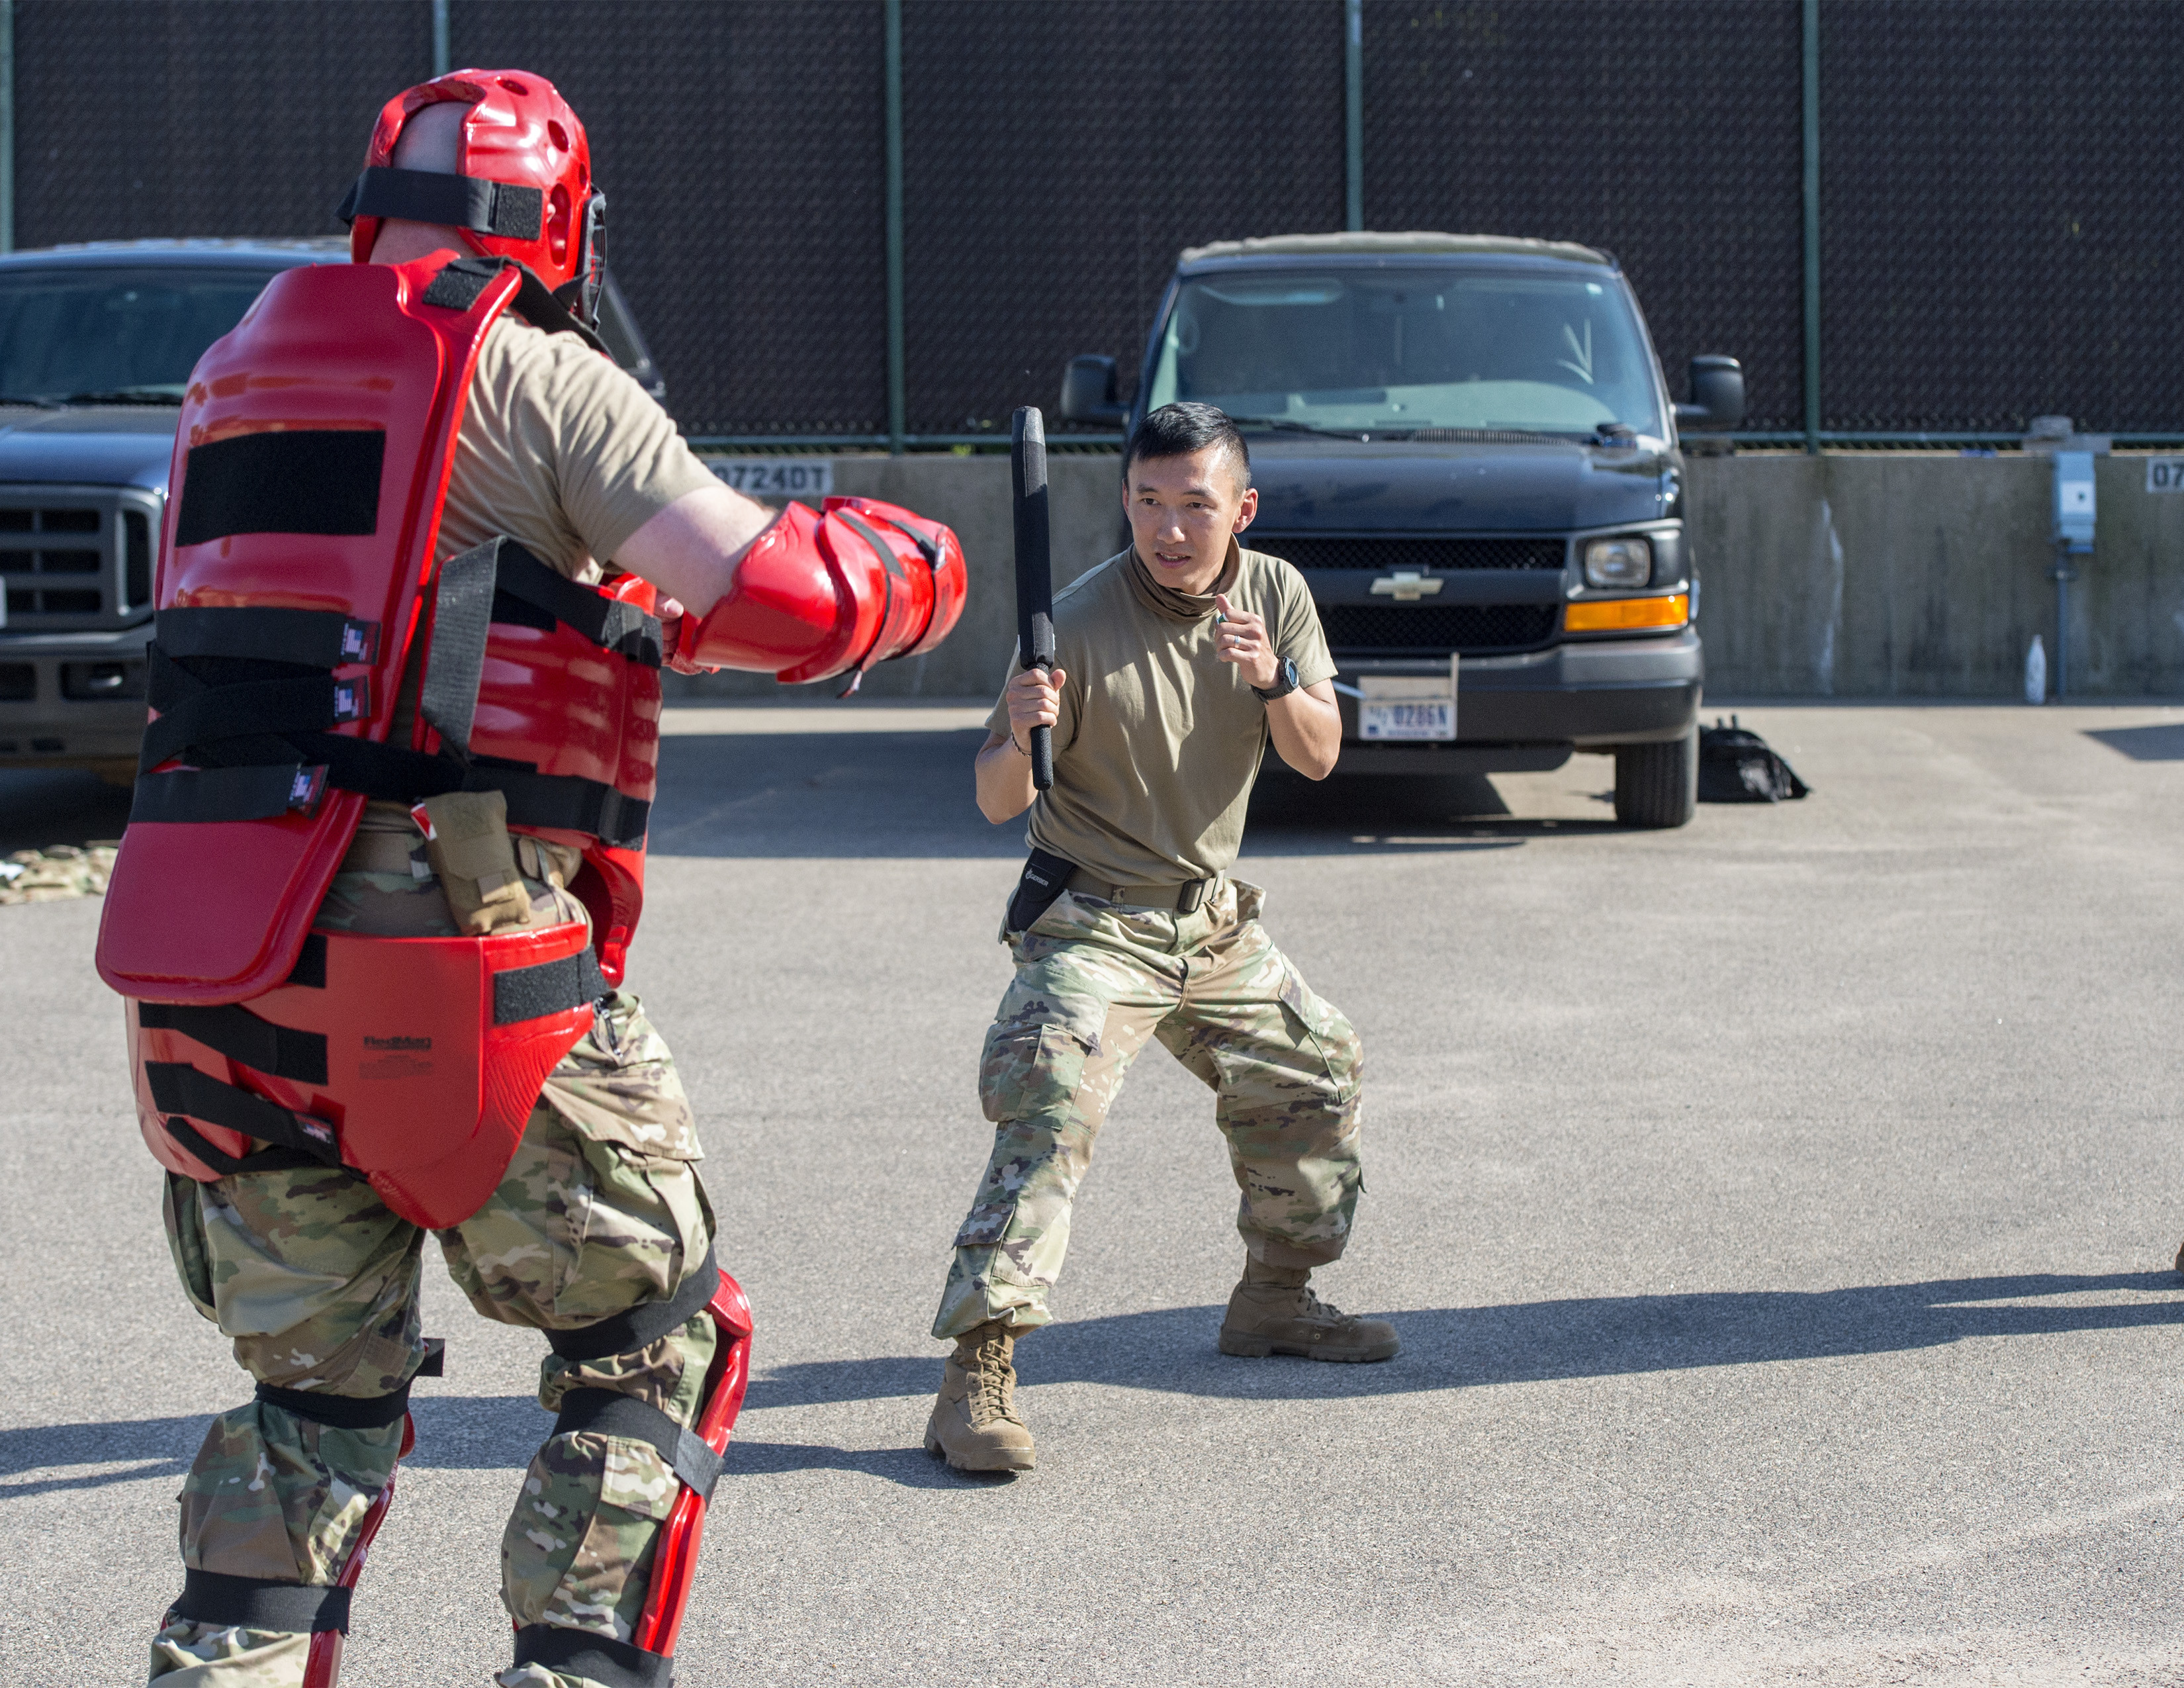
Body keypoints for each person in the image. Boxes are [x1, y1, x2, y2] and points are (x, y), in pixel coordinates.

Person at [95, 71, 962, 1687]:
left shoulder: (236, 372)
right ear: (563, 221)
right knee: (660, 1341)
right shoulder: (538, 373)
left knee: (312, 1416)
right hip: (451, 976)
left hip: (213, 985)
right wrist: (913, 572)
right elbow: (779, 596)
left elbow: (393, 616)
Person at [923, 401, 1396, 1475]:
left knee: (1317, 1068)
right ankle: (977, 1371)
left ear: (1242, 509)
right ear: (1124, 502)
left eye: (1195, 505)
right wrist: (1020, 716)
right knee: (1050, 1094)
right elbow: (998, 797)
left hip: (1210, 917)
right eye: (1147, 503)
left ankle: (1275, 1298)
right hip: (1094, 919)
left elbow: (1320, 755)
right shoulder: (1074, 623)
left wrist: (1272, 676)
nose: (1170, 530)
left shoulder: (1274, 595)